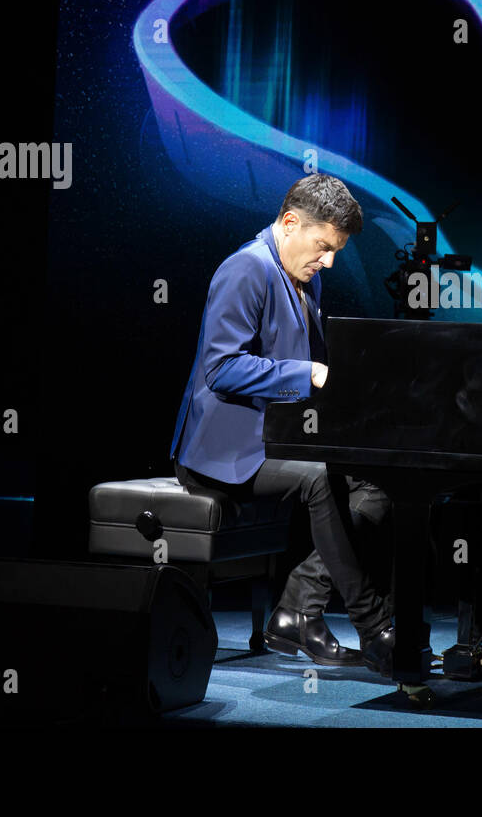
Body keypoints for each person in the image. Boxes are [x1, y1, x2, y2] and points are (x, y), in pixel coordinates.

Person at [169, 172, 395, 674]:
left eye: (336, 251)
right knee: (318, 479)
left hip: (273, 441)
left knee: (377, 486)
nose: (329, 261)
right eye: (323, 246)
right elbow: (222, 368)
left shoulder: (301, 277)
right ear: (290, 223)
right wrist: (307, 373)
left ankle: (298, 610)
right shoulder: (245, 270)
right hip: (221, 451)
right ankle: (375, 625)